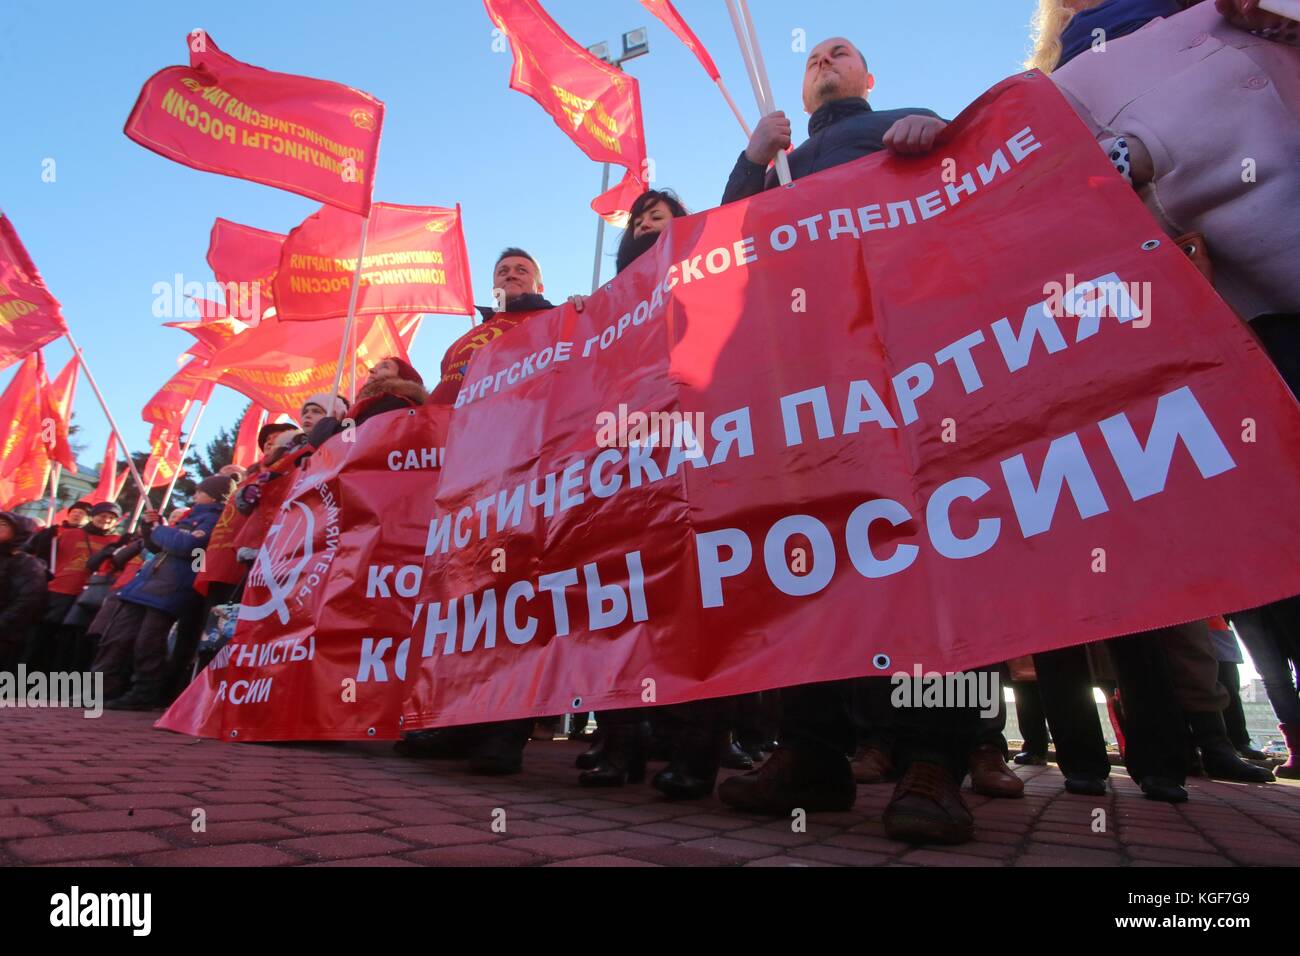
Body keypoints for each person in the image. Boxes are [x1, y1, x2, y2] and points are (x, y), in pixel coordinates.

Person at [711, 35, 992, 846]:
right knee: (812, 554)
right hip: (804, 376)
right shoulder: (775, 161)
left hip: (910, 359)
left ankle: (936, 757)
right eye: (814, 57)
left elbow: (973, 186)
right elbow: (725, 247)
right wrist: (746, 162)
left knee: (936, 544)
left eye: (841, 52)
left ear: (872, 78)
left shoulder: (906, 122)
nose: (824, 57)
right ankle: (812, 752)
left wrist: (939, 133)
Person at [93, 474, 236, 708]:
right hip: (146, 585)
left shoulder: (214, 519)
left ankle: (144, 692)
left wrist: (160, 530)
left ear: (212, 496)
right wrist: (150, 528)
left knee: (148, 643)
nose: (194, 496)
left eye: (199, 492)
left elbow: (186, 545)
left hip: (170, 589)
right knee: (118, 638)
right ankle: (105, 688)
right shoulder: (190, 518)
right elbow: (159, 545)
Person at [427, 248, 556, 406]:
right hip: (457, 426)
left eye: (521, 270)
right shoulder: (457, 345)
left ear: (540, 287)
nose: (511, 275)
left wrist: (586, 313)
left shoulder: (556, 320)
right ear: (494, 290)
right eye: (503, 272)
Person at [23, 500, 124, 670]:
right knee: (42, 634)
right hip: (60, 590)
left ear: (116, 521)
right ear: (93, 517)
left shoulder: (117, 541)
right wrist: (45, 539)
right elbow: (42, 556)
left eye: (111, 517)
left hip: (90, 596)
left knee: (70, 641)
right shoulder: (69, 534)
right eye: (102, 515)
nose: (106, 520)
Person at [0, 512, 46, 674]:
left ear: (19, 532)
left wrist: (3, 623)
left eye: (3, 525)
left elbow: (28, 600)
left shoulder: (27, 563)